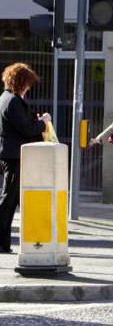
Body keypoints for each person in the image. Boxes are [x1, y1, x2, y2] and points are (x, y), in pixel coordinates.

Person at [0, 63, 50, 253]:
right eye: (28, 83)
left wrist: (35, 121)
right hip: (15, 154)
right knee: (8, 199)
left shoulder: (6, 98)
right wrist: (43, 124)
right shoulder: (12, 101)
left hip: (10, 153)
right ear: (21, 82)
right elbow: (26, 129)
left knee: (10, 199)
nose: (29, 87)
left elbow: (21, 124)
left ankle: (4, 243)